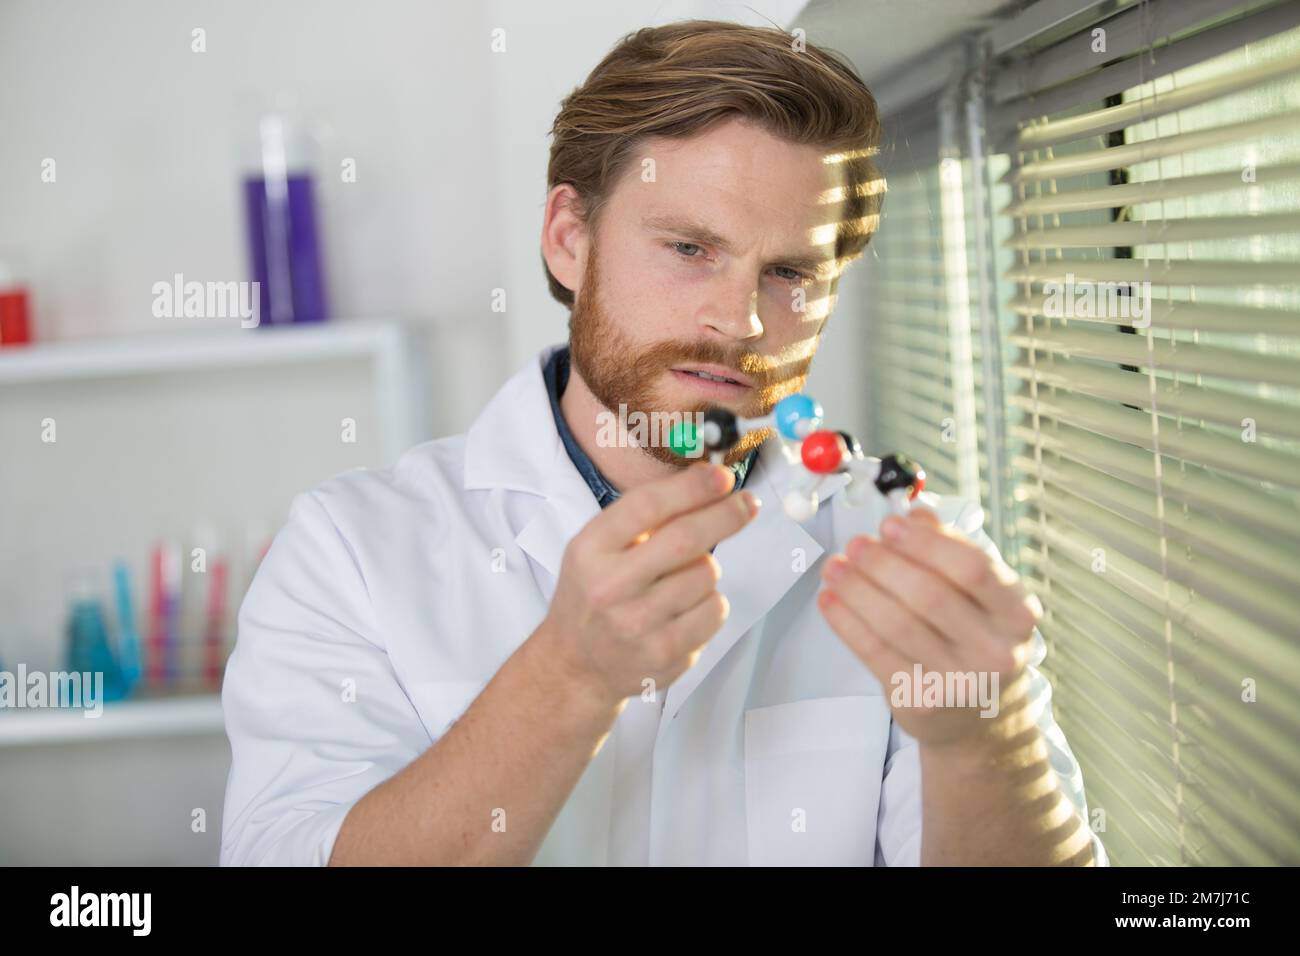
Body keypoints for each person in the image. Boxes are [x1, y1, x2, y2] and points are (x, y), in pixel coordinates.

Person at [220, 20, 1106, 867]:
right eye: (690, 248)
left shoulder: (917, 549)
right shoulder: (350, 553)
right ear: (570, 239)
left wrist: (980, 737)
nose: (742, 320)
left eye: (792, 274)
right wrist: (568, 674)